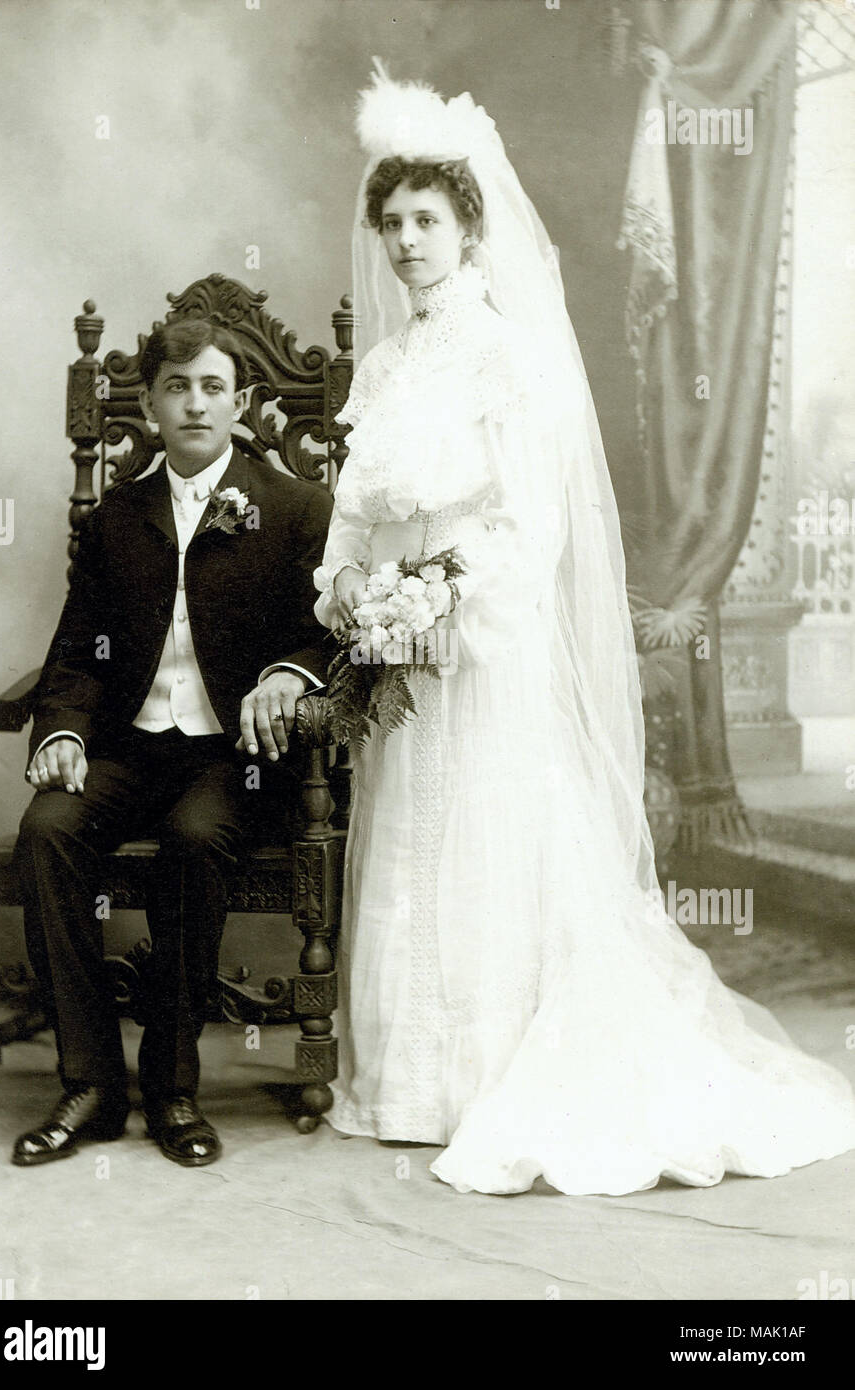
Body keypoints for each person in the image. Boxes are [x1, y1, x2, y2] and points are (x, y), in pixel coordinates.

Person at [313, 63, 855, 1196]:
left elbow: (531, 524)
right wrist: (352, 596)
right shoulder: (384, 367)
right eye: (395, 221)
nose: (409, 240)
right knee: (408, 841)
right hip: (399, 659)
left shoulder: (506, 356)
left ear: (471, 229)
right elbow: (354, 520)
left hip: (481, 648)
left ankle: (482, 1077)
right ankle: (406, 1082)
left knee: (486, 840)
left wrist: (444, 597)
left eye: (430, 219)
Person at [12, 318, 331, 1168]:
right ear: (149, 405)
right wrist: (66, 732)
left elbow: (322, 633)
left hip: (233, 759)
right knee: (46, 832)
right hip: (128, 747)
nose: (195, 403)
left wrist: (287, 677)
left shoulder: (297, 507)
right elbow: (78, 649)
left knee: (194, 840)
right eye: (177, 388)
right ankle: (89, 1084)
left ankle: (173, 1088)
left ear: (243, 403)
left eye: (213, 387)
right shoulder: (117, 516)